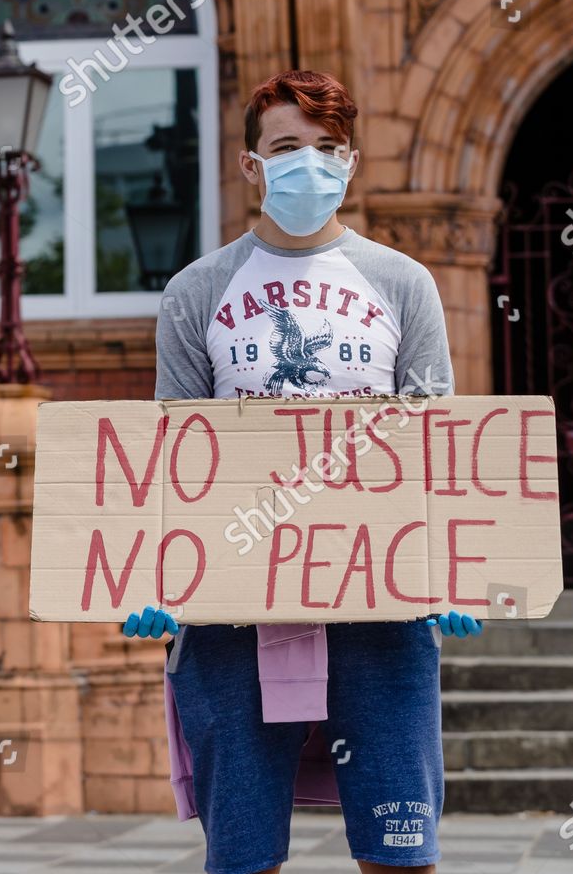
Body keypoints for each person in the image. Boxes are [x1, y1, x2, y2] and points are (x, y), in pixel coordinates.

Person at [128, 69, 482, 874]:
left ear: (351, 162)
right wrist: (156, 577)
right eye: (287, 147)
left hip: (382, 610)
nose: (309, 165)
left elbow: (436, 446)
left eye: (327, 149)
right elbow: (175, 458)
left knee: (402, 851)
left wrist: (460, 573)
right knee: (243, 856)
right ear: (251, 166)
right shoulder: (196, 293)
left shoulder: (404, 284)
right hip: (233, 616)